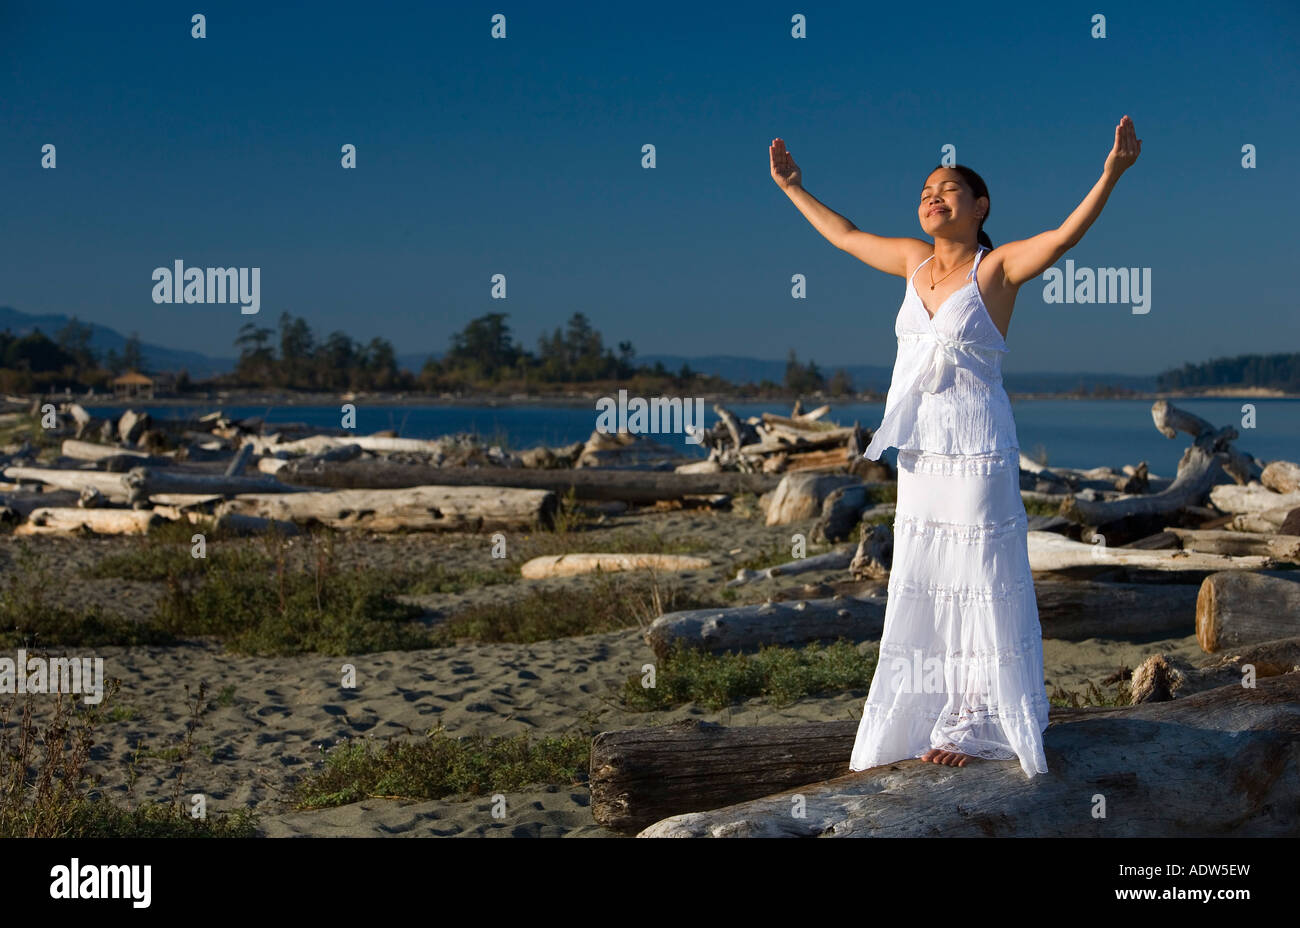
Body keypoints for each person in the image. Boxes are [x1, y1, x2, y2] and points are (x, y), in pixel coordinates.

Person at [769, 116, 1142, 776]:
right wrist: (796, 189)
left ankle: (979, 719)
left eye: (948, 189)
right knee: (926, 577)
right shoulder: (913, 261)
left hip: (976, 448)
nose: (932, 196)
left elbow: (1060, 239)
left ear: (979, 207)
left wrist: (1111, 172)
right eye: (925, 189)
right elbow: (847, 236)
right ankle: (925, 714)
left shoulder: (993, 268)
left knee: (977, 577)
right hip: (922, 454)